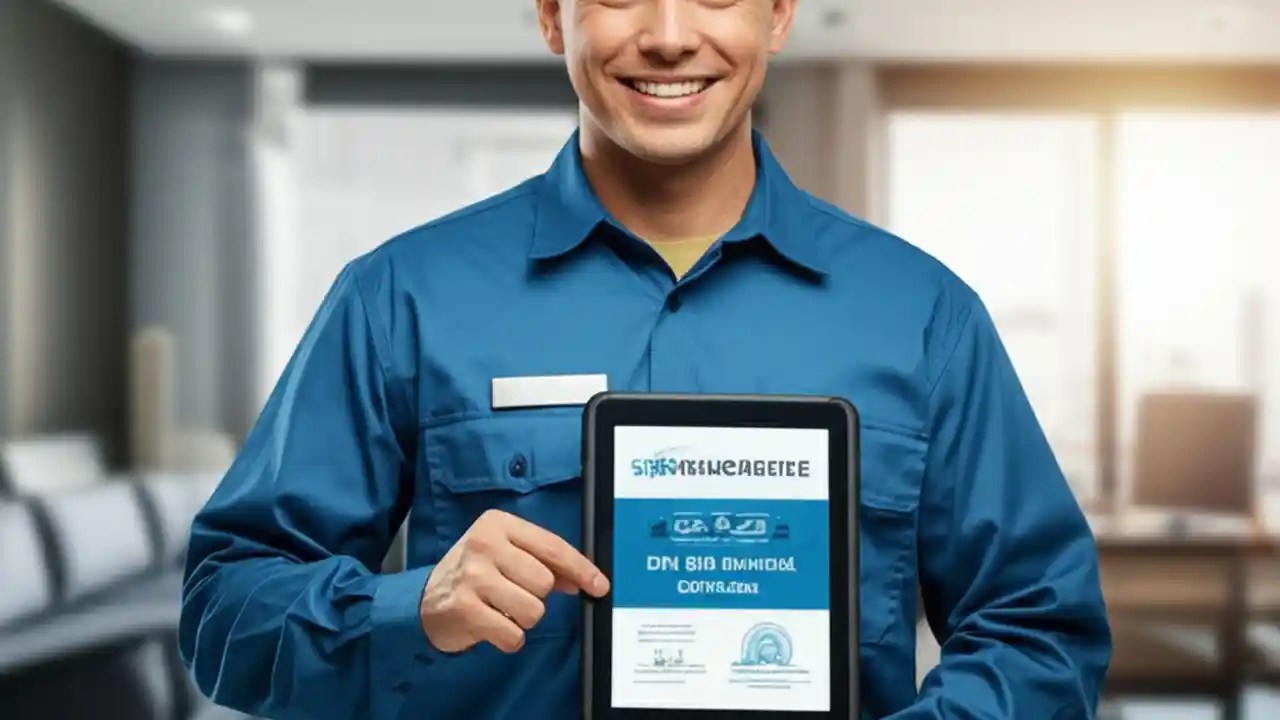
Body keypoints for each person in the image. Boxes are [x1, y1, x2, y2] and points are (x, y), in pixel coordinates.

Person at [178, 1, 1112, 718]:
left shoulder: (922, 316)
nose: (669, 37)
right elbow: (224, 611)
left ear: (778, 15)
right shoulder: (399, 296)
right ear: (553, 16)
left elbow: (1041, 631)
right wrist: (410, 607)